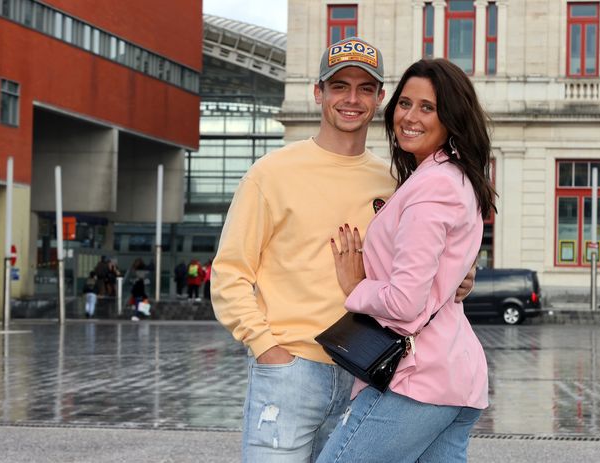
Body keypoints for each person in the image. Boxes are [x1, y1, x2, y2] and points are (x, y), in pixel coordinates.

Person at [212, 37, 475, 463]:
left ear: (380, 99)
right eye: (339, 86)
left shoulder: (396, 183)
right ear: (318, 93)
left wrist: (462, 277)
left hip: (368, 373)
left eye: (365, 89)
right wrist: (266, 348)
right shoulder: (271, 174)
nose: (352, 99)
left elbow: (423, 260)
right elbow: (230, 273)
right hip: (291, 368)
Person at [316, 58, 496, 463]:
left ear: (451, 117)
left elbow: (404, 302)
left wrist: (355, 287)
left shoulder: (433, 187)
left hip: (420, 380)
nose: (410, 117)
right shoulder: (447, 177)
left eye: (427, 108)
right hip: (451, 376)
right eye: (404, 104)